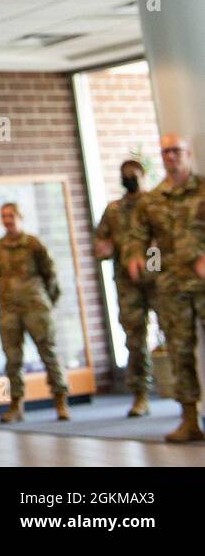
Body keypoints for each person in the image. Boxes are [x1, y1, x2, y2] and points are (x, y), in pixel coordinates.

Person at [126, 134, 205, 443]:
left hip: (203, 281)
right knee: (179, 350)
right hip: (172, 286)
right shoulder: (153, 199)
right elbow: (138, 236)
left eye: (176, 151)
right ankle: (189, 419)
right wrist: (136, 256)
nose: (171, 157)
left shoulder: (202, 190)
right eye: (165, 152)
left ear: (188, 154)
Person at [0, 203, 69, 423]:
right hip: (9, 309)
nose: (8, 220)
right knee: (12, 359)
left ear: (20, 217)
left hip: (35, 306)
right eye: (4, 216)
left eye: (11, 215)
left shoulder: (33, 244)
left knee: (48, 353)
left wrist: (48, 302)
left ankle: (61, 400)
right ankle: (16, 404)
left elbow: (50, 274)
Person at [94, 158, 154, 417]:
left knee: (177, 334)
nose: (128, 177)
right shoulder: (114, 210)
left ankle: (187, 397)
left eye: (132, 173)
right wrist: (103, 249)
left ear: (142, 174)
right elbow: (101, 243)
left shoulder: (155, 204)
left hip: (160, 279)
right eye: (124, 174)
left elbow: (169, 239)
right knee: (134, 338)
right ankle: (141, 395)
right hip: (126, 283)